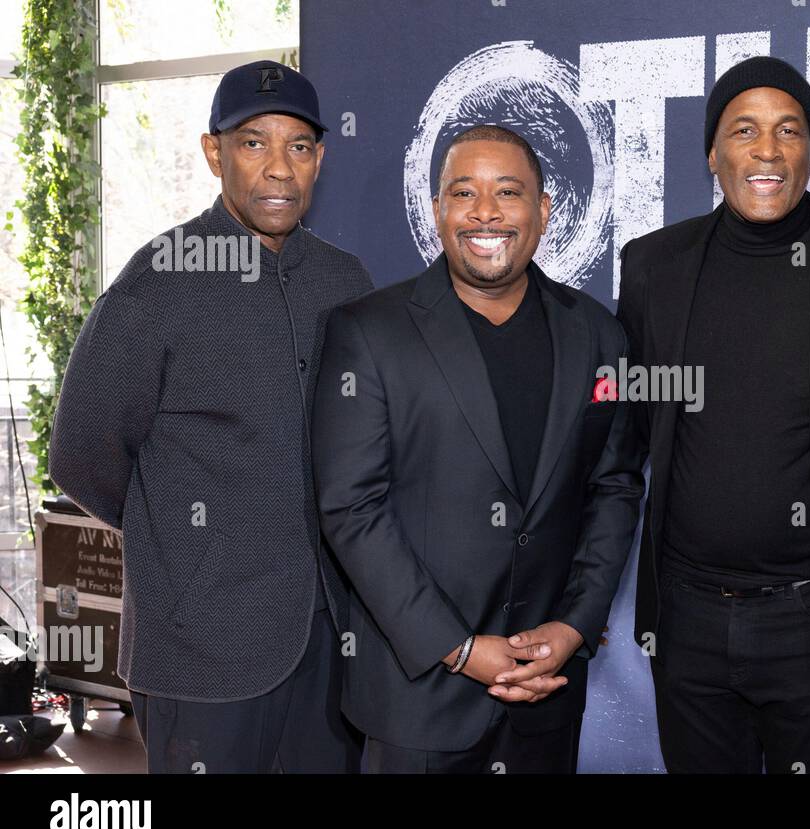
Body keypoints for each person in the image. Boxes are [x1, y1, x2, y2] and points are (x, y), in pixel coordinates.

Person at [49, 60, 373, 773]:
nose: (278, 168)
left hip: (328, 641)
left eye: (298, 146)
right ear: (213, 152)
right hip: (202, 650)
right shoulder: (156, 282)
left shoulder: (345, 280)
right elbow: (81, 454)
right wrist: (191, 553)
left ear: (319, 158)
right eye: (254, 143)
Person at [617, 56, 810, 773]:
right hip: (686, 622)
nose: (767, 149)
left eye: (789, 130)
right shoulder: (652, 269)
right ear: (713, 154)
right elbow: (620, 446)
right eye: (744, 129)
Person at [311, 124, 643, 773]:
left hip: (545, 694)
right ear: (438, 210)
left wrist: (574, 627)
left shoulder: (598, 335)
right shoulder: (368, 332)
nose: (485, 212)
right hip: (420, 702)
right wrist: (458, 647)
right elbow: (351, 508)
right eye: (464, 193)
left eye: (508, 192)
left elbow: (615, 486)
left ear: (543, 211)